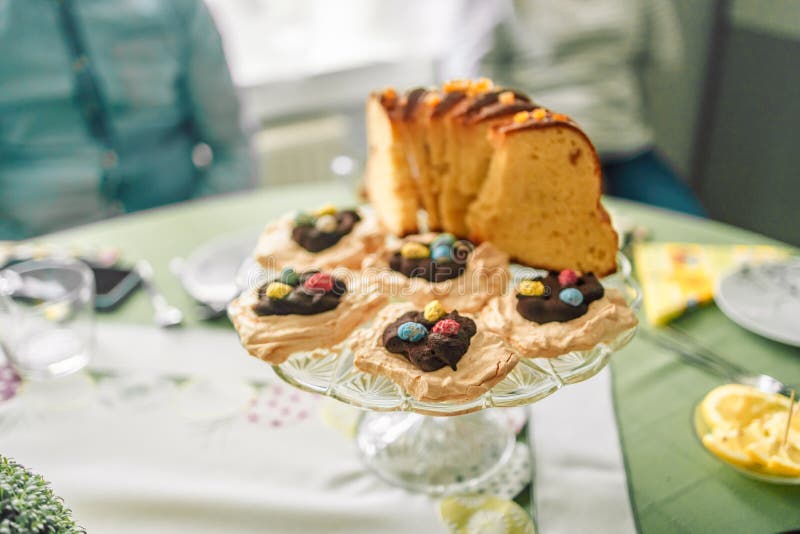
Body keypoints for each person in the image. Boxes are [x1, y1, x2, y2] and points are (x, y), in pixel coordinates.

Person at [0, 0, 254, 240]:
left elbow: (232, 148)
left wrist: (206, 230)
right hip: (37, 259)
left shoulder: (175, 8)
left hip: (179, 238)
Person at [441, 0, 706, 216]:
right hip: (534, 147)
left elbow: (664, 60)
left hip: (623, 146)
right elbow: (472, 79)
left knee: (693, 230)